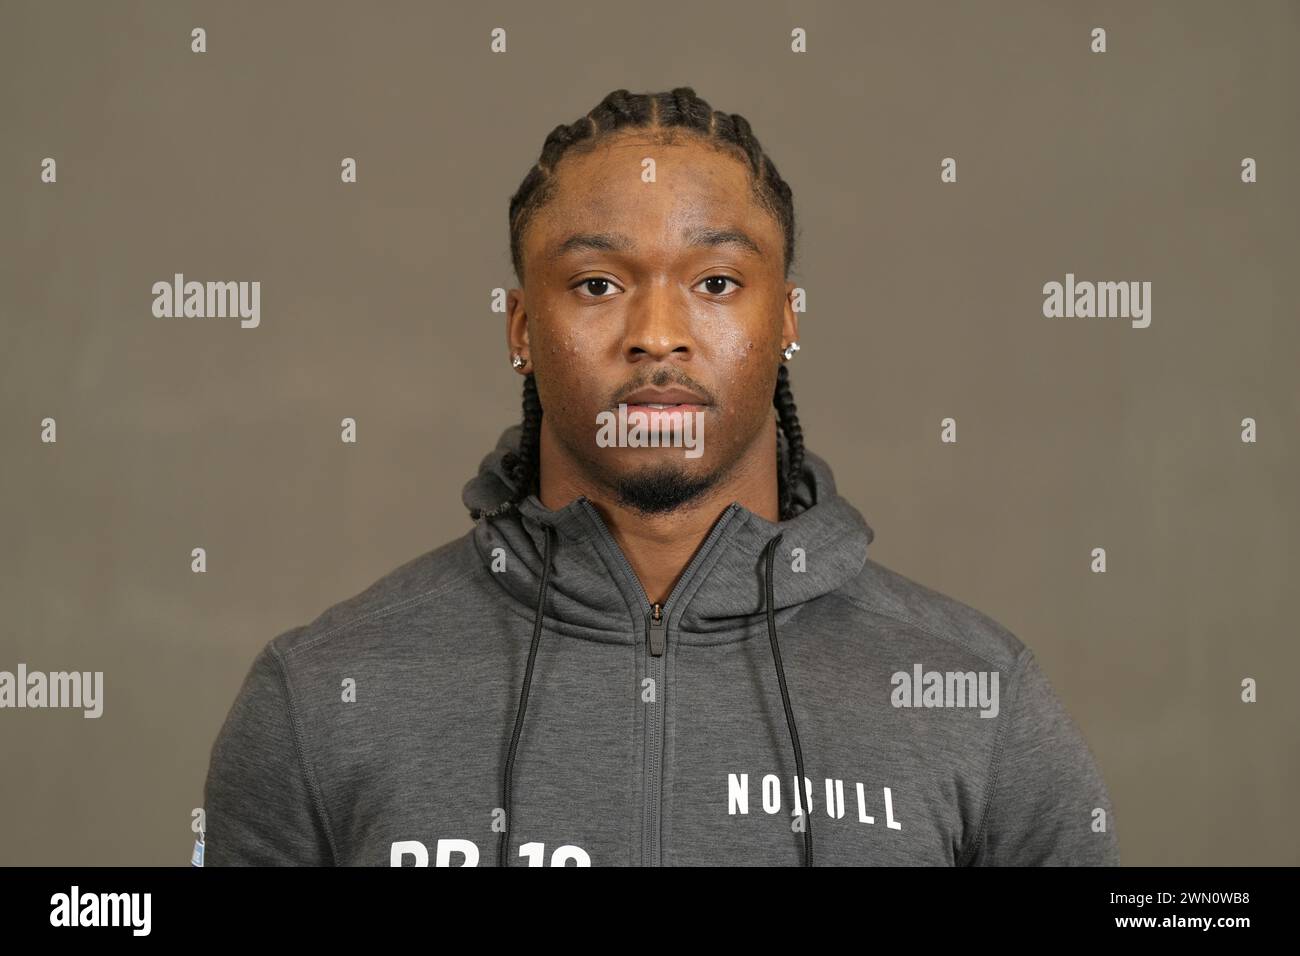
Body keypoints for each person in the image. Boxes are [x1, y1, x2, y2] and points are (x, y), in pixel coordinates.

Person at [202, 87, 1119, 866]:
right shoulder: (322, 695)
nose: (657, 333)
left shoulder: (976, 696)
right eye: (598, 284)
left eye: (716, 282)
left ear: (788, 317)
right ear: (521, 327)